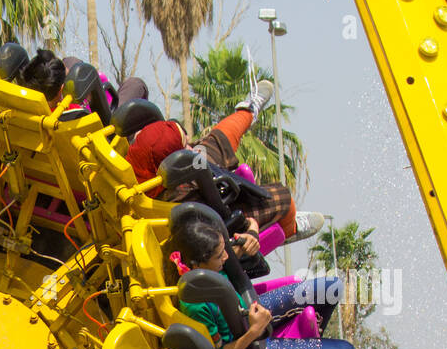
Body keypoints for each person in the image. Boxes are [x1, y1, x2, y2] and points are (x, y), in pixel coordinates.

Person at [172, 217, 352, 349]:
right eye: (219, 256)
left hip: (250, 308)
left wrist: (252, 231)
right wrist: (254, 331)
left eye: (225, 249)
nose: (225, 257)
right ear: (197, 265)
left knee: (332, 288)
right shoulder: (196, 306)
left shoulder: (207, 259)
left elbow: (242, 233)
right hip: (251, 347)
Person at [125, 79, 323, 244]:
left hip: (171, 183)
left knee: (216, 141)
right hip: (201, 209)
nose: (191, 148)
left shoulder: (135, 167)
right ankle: (290, 228)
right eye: (185, 146)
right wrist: (250, 228)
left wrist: (186, 150)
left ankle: (248, 111)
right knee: (282, 198)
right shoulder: (184, 203)